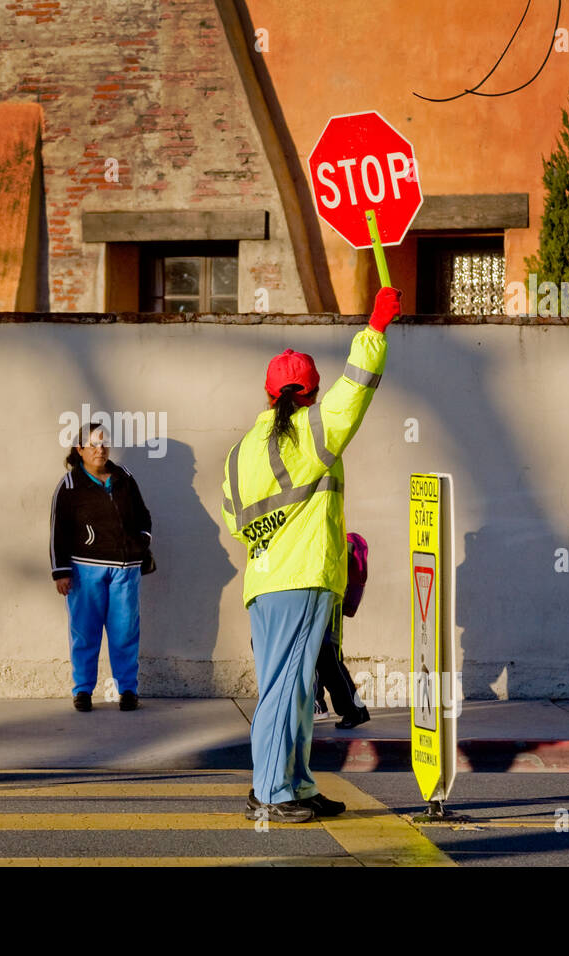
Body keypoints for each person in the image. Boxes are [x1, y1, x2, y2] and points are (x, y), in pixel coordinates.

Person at [221, 287, 400, 822]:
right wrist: (374, 331)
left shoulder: (240, 452)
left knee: (296, 690)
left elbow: (236, 521)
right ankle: (274, 792)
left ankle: (294, 785)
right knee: (286, 690)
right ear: (311, 393)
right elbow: (354, 394)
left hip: (267, 582)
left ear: (268, 392)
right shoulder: (310, 432)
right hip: (301, 580)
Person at [49, 423, 154, 712]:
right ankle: (83, 690)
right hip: (85, 571)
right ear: (79, 449)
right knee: (85, 631)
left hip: (125, 569)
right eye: (92, 444)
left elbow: (143, 516)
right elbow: (58, 531)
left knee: (125, 631)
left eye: (104, 442)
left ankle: (128, 690)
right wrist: (61, 572)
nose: (100, 448)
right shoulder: (69, 486)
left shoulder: (124, 478)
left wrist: (140, 543)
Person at [314, 532, 371, 728]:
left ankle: (352, 711)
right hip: (328, 607)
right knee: (329, 661)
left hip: (328, 608)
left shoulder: (333, 543)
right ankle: (355, 710)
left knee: (329, 662)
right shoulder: (334, 540)